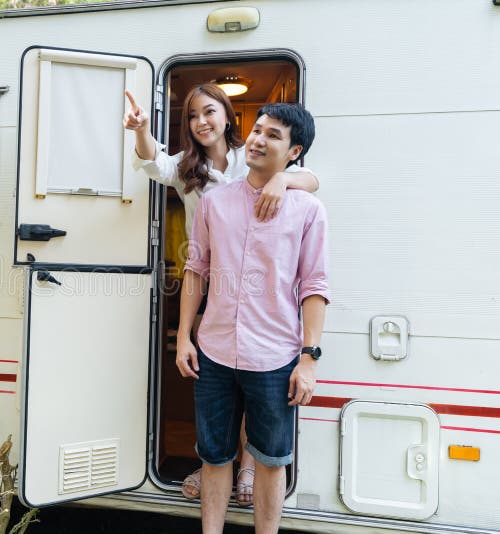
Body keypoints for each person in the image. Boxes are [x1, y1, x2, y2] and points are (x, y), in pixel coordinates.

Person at [124, 84, 319, 505]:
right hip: (208, 279)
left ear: (229, 116)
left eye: (210, 112)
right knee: (222, 380)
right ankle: (218, 464)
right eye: (192, 116)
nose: (201, 123)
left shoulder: (248, 157)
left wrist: (282, 179)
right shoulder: (185, 168)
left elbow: (314, 178)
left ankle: (249, 465)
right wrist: (140, 130)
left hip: (259, 286)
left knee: (256, 372)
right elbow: (151, 161)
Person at [176, 103, 329, 533]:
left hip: (276, 357)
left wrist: (309, 358)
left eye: (273, 135)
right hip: (216, 351)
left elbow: (315, 287)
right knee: (214, 456)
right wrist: (185, 337)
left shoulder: (309, 211)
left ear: (294, 150)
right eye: (257, 130)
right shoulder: (214, 202)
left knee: (270, 460)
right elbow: (196, 269)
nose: (259, 140)